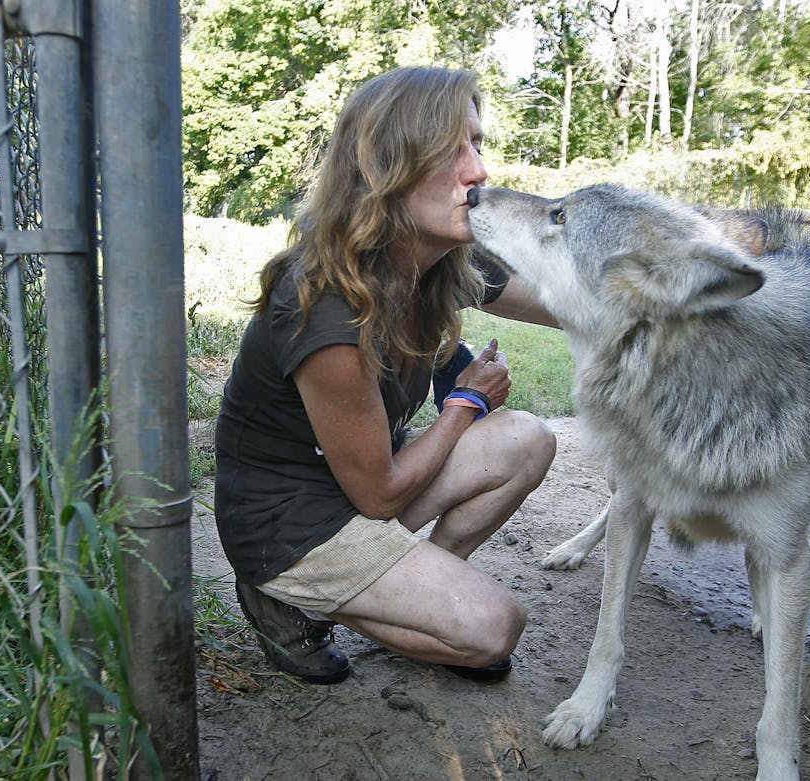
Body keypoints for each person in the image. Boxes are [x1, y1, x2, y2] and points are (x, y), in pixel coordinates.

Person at [213, 66, 559, 685]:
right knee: (494, 629)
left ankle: (410, 596)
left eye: (477, 145)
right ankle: (285, 601)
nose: (479, 171)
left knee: (528, 438)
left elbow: (562, 302)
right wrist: (465, 402)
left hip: (359, 488)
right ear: (388, 167)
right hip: (292, 522)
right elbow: (381, 495)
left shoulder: (442, 260)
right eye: (451, 151)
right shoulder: (323, 303)